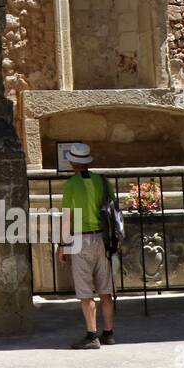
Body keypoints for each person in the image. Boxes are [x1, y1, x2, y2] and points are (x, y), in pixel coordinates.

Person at [58, 142, 116, 349]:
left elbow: (68, 217)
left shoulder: (71, 185)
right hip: (103, 239)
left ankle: (92, 336)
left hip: (81, 239)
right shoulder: (103, 181)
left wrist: (62, 245)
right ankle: (109, 333)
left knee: (85, 291)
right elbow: (112, 209)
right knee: (105, 290)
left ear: (73, 162)